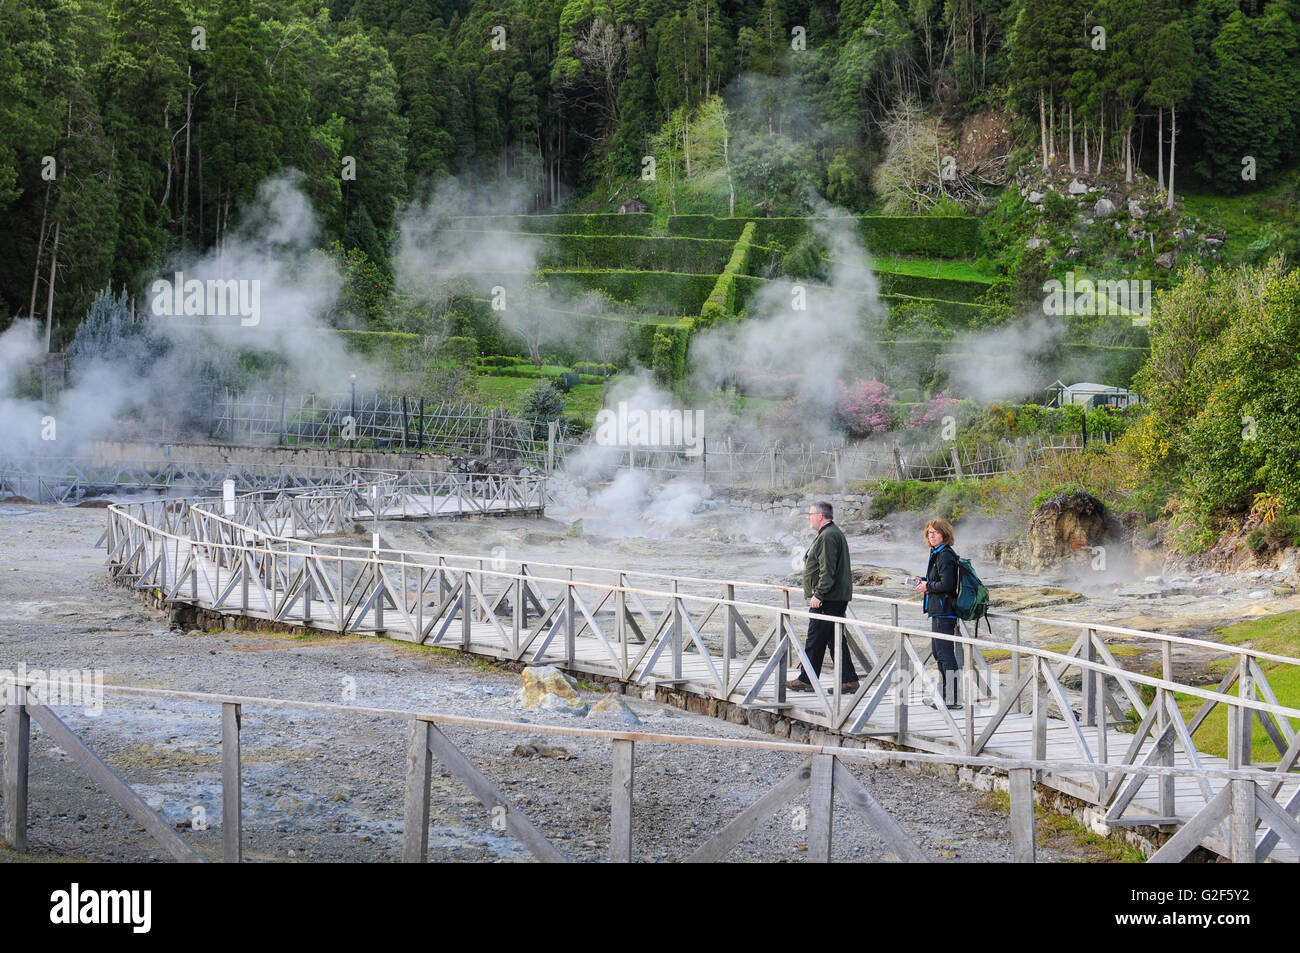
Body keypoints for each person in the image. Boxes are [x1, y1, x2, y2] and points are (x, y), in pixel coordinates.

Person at [787, 501, 859, 693]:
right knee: (834, 639)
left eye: (810, 514)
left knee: (815, 638)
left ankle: (807, 679)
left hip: (828, 598)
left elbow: (828, 570)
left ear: (820, 516)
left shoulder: (828, 536)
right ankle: (848, 680)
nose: (808, 517)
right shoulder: (830, 533)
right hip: (834, 597)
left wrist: (818, 594)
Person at [913, 518, 961, 709]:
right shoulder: (937, 553)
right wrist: (923, 580)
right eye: (929, 532)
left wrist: (928, 586)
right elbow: (939, 579)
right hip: (938, 610)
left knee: (945, 654)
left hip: (945, 611)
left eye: (936, 532)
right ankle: (944, 696)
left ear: (944, 534)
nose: (931, 535)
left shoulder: (945, 555)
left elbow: (947, 584)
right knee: (939, 653)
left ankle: (952, 699)